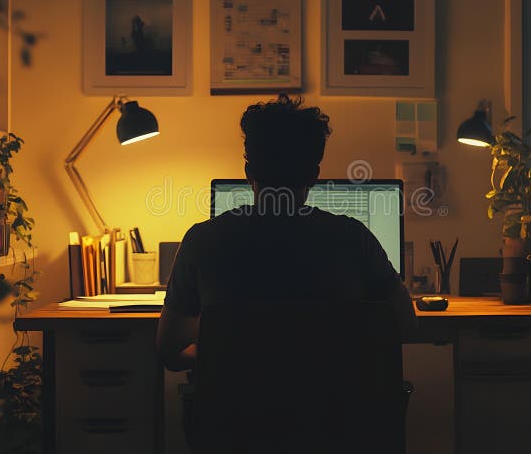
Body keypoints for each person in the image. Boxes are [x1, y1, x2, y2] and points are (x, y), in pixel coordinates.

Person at [156, 94, 415, 371]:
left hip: (236, 411)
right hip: (331, 410)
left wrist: (224, 355)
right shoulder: (354, 238)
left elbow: (169, 350)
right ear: (314, 175)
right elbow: (406, 327)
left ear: (248, 171)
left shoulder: (202, 240)